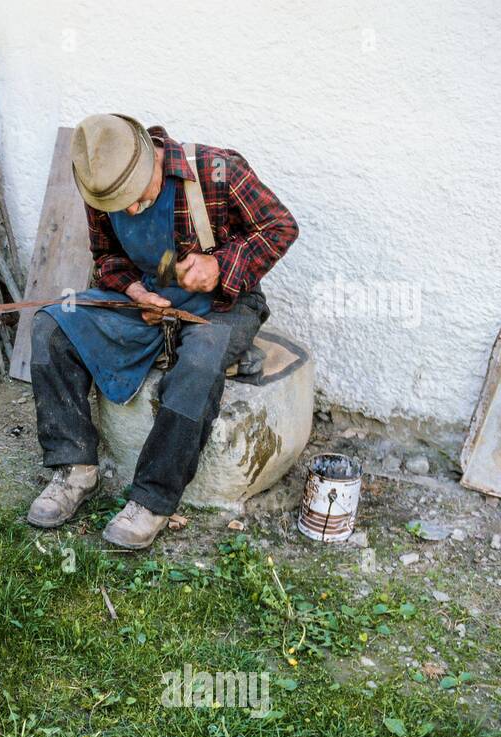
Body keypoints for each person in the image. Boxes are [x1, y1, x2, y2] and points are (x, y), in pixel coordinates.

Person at [28, 114, 298, 549]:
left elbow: (280, 227)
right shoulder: (100, 185)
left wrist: (220, 266)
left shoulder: (216, 169)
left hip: (224, 305)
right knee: (52, 325)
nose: (130, 210)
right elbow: (106, 258)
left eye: (135, 197)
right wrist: (134, 289)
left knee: (200, 361)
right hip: (148, 303)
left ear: (152, 160)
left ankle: (152, 500)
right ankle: (74, 468)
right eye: (119, 205)